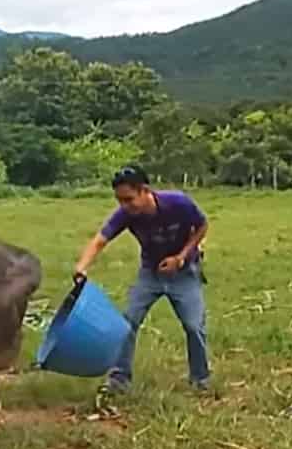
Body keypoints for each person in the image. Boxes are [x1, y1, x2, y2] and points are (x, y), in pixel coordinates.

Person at [74, 165, 211, 394]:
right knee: (127, 322)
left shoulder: (178, 203)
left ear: (144, 190)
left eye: (128, 199)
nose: (124, 206)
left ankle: (200, 380)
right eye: (119, 201)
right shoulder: (126, 215)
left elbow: (202, 226)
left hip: (184, 272)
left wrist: (181, 257)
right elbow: (100, 240)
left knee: (194, 325)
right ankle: (119, 379)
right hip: (150, 272)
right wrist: (81, 267)